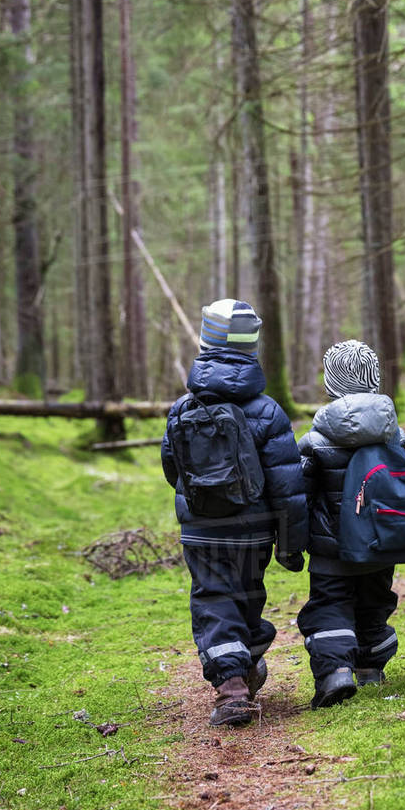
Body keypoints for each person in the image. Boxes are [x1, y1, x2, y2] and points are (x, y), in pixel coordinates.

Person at [161, 298, 307, 727]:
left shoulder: (182, 409)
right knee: (247, 597)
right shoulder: (267, 411)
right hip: (254, 531)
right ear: (252, 346)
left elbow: (174, 470)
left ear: (206, 342)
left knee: (213, 600)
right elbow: (287, 484)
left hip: (202, 530)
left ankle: (232, 683)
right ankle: (241, 675)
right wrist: (291, 543)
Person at [297, 339, 405, 708]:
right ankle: (371, 668)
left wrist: (292, 540)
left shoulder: (315, 439)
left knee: (330, 605)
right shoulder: (396, 435)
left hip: (332, 547)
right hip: (381, 541)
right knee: (374, 602)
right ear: (374, 379)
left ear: (330, 384)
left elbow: (300, 493)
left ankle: (335, 672)